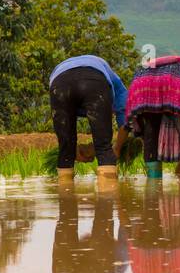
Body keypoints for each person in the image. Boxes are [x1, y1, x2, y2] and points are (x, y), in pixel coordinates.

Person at [48, 54, 131, 185]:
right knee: (104, 148)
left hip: (59, 83)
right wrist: (117, 149)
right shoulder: (118, 86)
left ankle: (66, 198)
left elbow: (64, 123)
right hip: (94, 81)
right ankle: (107, 196)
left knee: (65, 150)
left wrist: (72, 150)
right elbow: (125, 123)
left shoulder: (62, 68)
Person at [124, 54, 180, 179]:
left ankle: (153, 187)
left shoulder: (144, 70)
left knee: (150, 135)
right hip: (173, 80)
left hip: (142, 82)